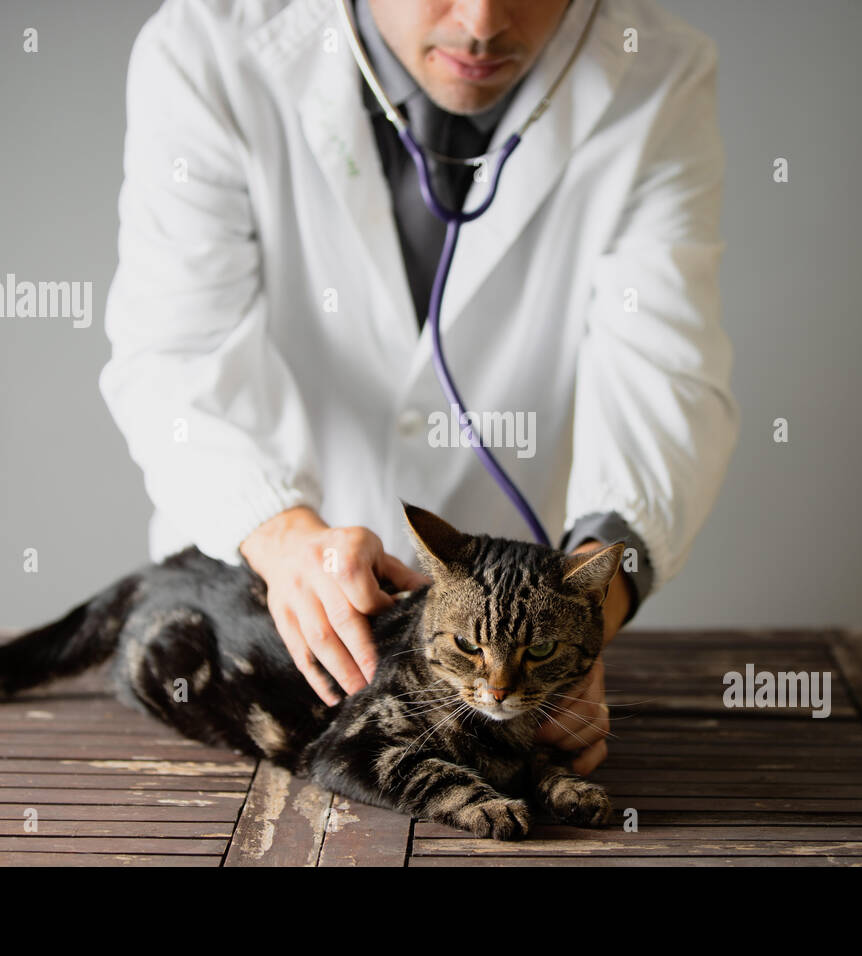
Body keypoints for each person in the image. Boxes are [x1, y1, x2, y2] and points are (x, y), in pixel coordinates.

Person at [100, 0, 739, 775]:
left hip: (508, 662)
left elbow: (666, 375)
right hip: (243, 629)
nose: (480, 22)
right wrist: (282, 536)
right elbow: (173, 351)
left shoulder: (656, 72)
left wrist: (580, 625)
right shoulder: (204, 50)